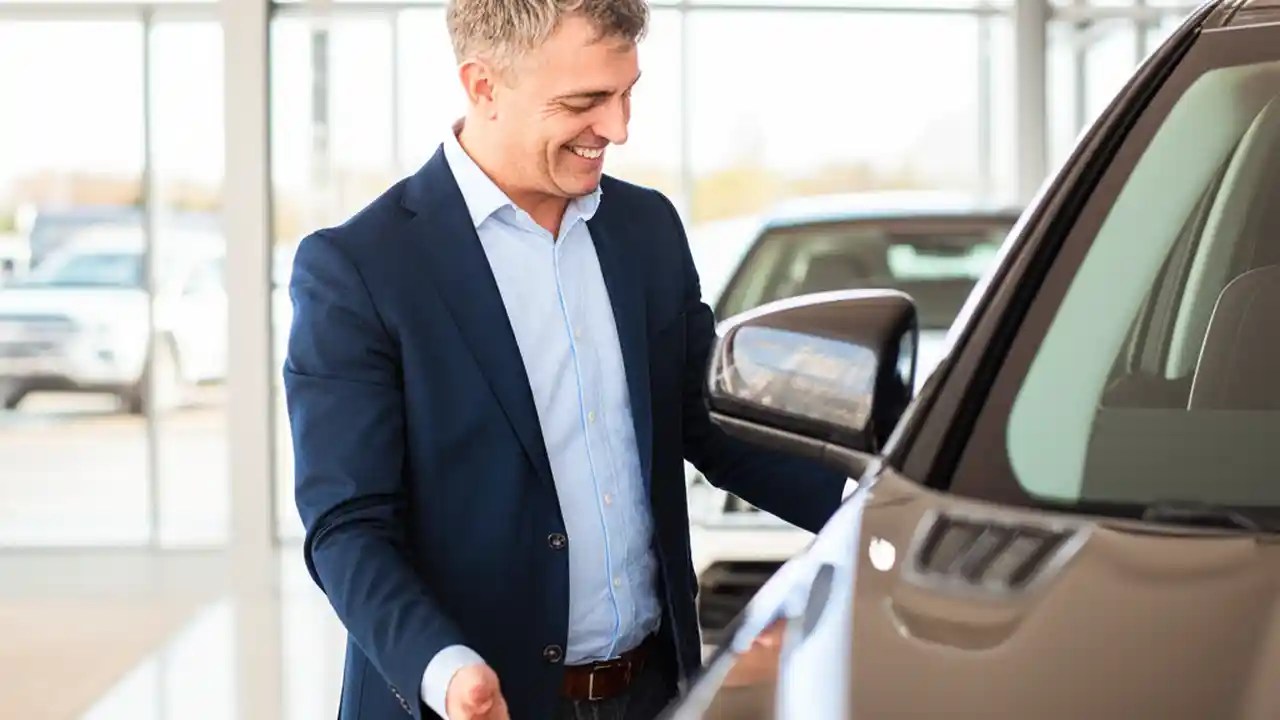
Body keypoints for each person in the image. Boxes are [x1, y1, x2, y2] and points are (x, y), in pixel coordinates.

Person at [283, 1, 847, 718]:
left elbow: (708, 424)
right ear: (483, 86)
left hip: (648, 691)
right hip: (471, 704)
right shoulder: (360, 269)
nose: (618, 128)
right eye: (585, 102)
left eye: (627, 92)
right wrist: (446, 671)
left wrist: (879, 504)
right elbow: (347, 525)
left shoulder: (645, 230)